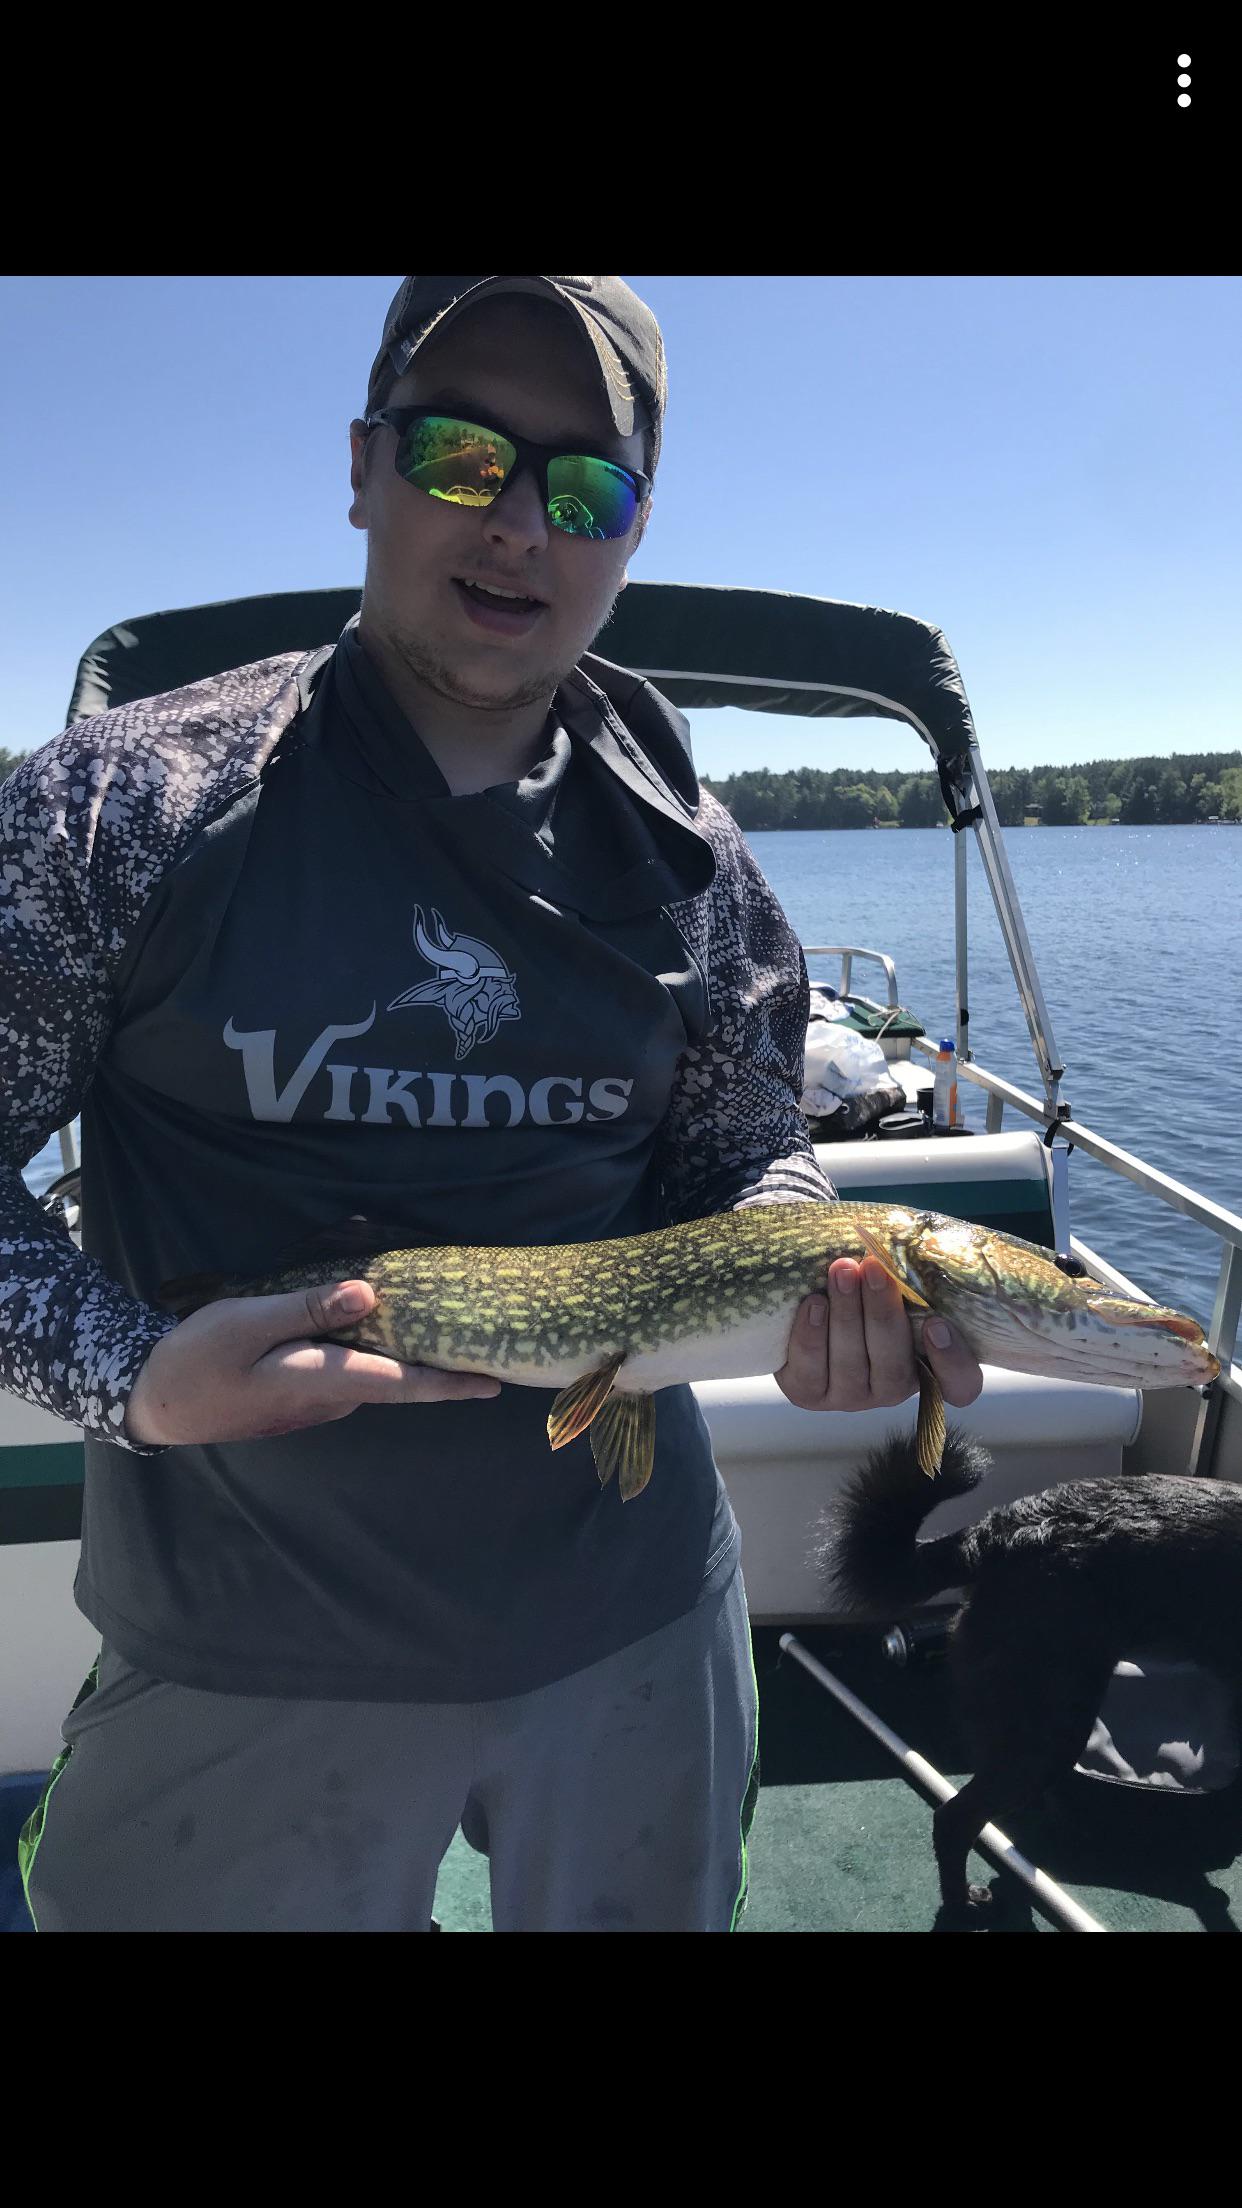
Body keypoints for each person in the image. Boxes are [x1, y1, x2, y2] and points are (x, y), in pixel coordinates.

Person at [2, 275, 983, 1933]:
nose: (522, 520)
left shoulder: (691, 858)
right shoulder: (123, 807)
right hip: (243, 1646)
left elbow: (744, 1148)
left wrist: (803, 1264)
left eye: (583, 484)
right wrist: (139, 1377)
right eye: (463, 455)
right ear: (366, 467)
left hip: (634, 1624)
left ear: (630, 526)